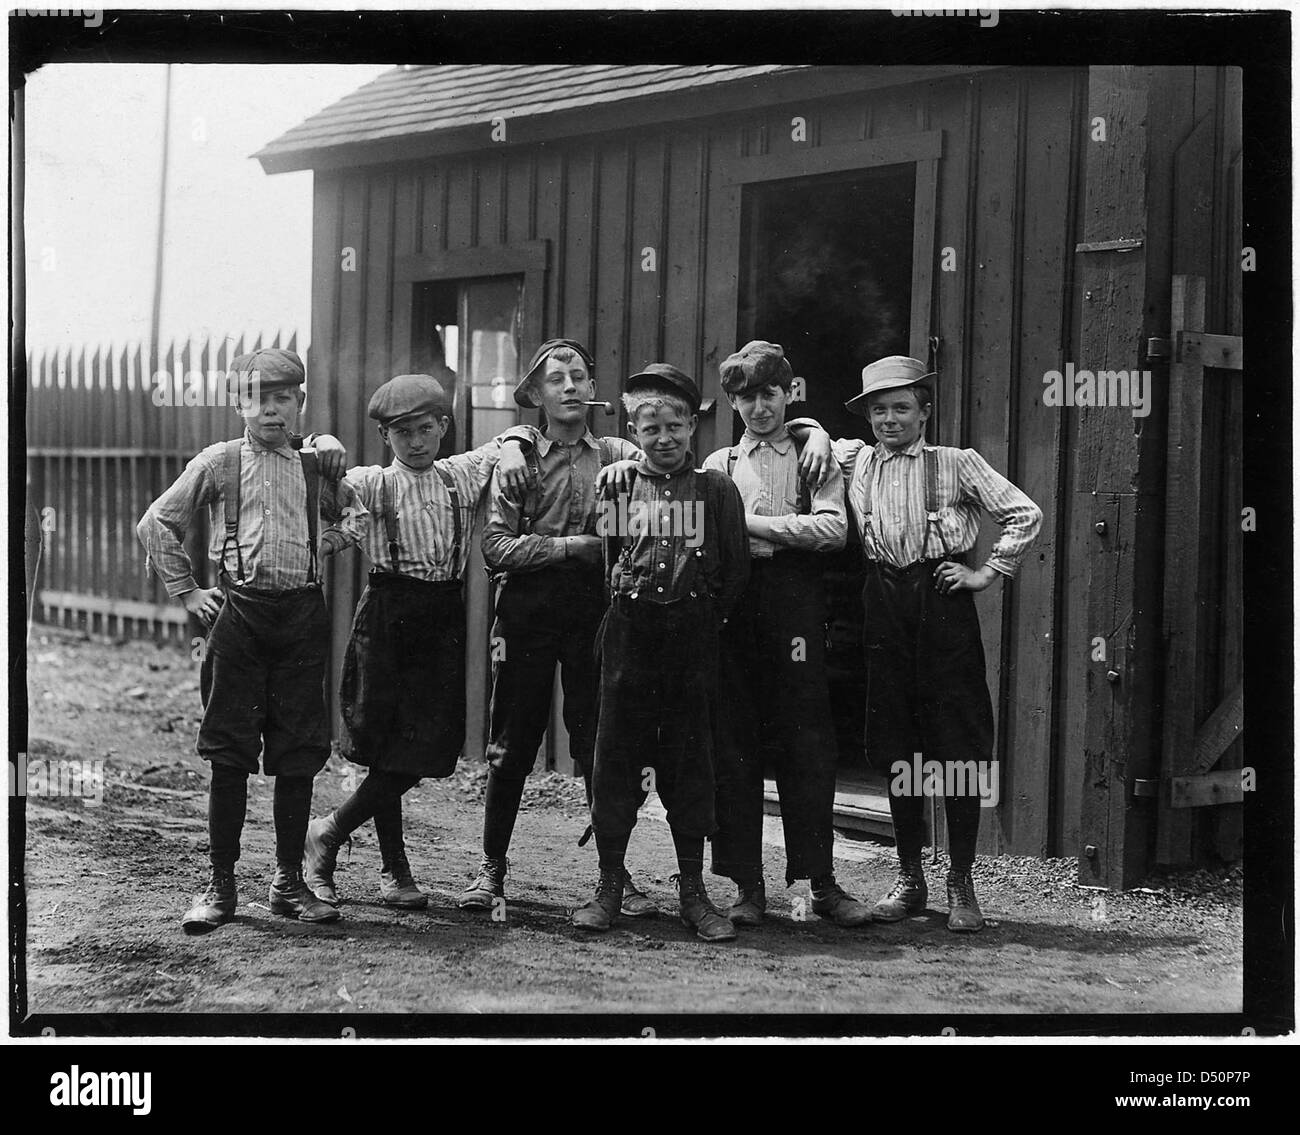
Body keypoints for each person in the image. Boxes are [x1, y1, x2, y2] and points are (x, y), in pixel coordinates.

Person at [795, 356, 1042, 931]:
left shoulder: (955, 464)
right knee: (896, 743)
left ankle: (961, 883)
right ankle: (910, 879)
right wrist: (809, 428)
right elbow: (807, 431)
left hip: (941, 602)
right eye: (878, 409)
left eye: (901, 408)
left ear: (925, 411)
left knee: (957, 744)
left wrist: (984, 573)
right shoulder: (854, 460)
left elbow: (1023, 513)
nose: (889, 419)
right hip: (882, 604)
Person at [302, 374, 535, 908]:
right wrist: (321, 444)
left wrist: (518, 448)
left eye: (424, 429)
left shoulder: (461, 473)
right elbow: (316, 479)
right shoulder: (372, 482)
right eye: (400, 432)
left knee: (426, 745)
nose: (414, 441)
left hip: (441, 616)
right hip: (388, 614)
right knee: (384, 743)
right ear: (386, 437)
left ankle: (328, 831)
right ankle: (394, 870)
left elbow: (512, 435)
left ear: (444, 427)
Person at [136, 348, 348, 933]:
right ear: (238, 404)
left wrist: (328, 539)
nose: (271, 409)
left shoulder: (314, 465)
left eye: (284, 397)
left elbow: (353, 515)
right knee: (229, 753)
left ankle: (288, 882)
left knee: (299, 753)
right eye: (258, 398)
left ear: (300, 403)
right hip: (239, 616)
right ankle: (220, 884)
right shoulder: (219, 461)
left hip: (302, 617)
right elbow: (157, 521)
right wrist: (185, 591)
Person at [460, 339, 658, 918]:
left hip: (596, 610)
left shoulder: (619, 452)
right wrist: (572, 545)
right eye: (556, 379)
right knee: (511, 742)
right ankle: (491, 870)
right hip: (527, 608)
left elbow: (662, 485)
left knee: (600, 737)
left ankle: (612, 874)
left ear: (594, 389)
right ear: (537, 396)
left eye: (579, 376)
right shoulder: (515, 458)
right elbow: (495, 548)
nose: (570, 386)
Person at [572, 363, 750, 942]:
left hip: (691, 638)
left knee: (688, 761)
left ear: (693, 426)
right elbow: (611, 562)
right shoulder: (620, 485)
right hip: (630, 635)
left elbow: (734, 572)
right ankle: (607, 886)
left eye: (676, 426)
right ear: (634, 429)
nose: (665, 438)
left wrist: (699, 618)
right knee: (616, 758)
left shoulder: (716, 489)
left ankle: (693, 893)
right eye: (651, 429)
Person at [701, 341, 872, 928]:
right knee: (736, 743)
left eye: (768, 393)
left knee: (807, 741)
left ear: (788, 390)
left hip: (795, 605)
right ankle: (747, 886)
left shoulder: (813, 454)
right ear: (731, 401)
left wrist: (744, 521)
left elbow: (831, 530)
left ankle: (820, 881)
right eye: (745, 396)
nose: (758, 407)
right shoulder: (720, 464)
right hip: (735, 607)